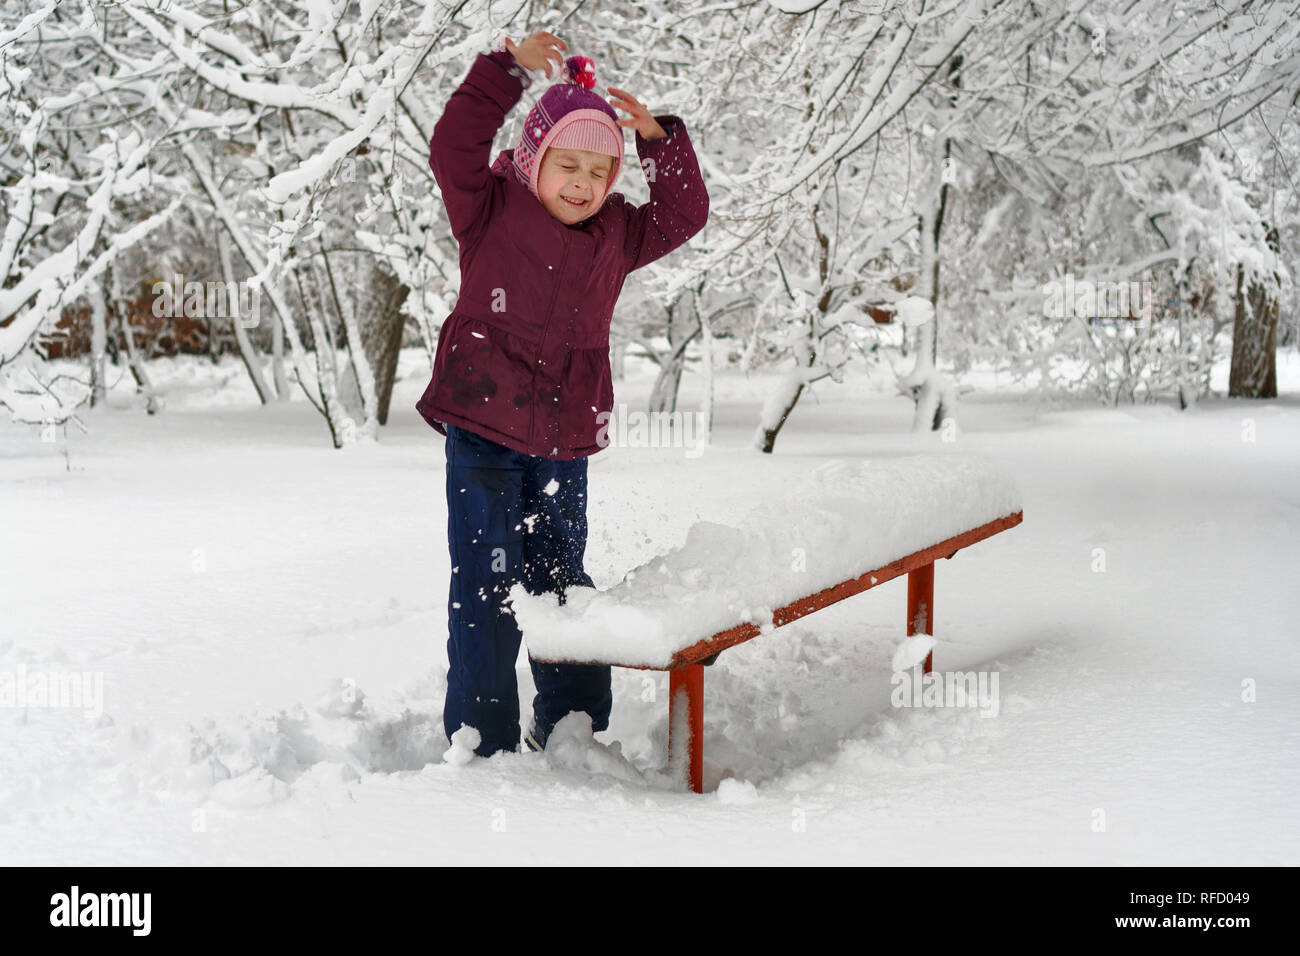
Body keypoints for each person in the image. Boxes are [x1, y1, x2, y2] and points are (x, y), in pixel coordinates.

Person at [415, 31, 709, 757]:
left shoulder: (617, 232)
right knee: (487, 588)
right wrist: (506, 68)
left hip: (562, 441)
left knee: (559, 582)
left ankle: (572, 722)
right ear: (532, 158)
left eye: (600, 169)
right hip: (482, 433)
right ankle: (481, 739)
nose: (582, 183)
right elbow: (453, 142)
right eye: (566, 165)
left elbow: (684, 214)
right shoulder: (489, 208)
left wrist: (657, 141)